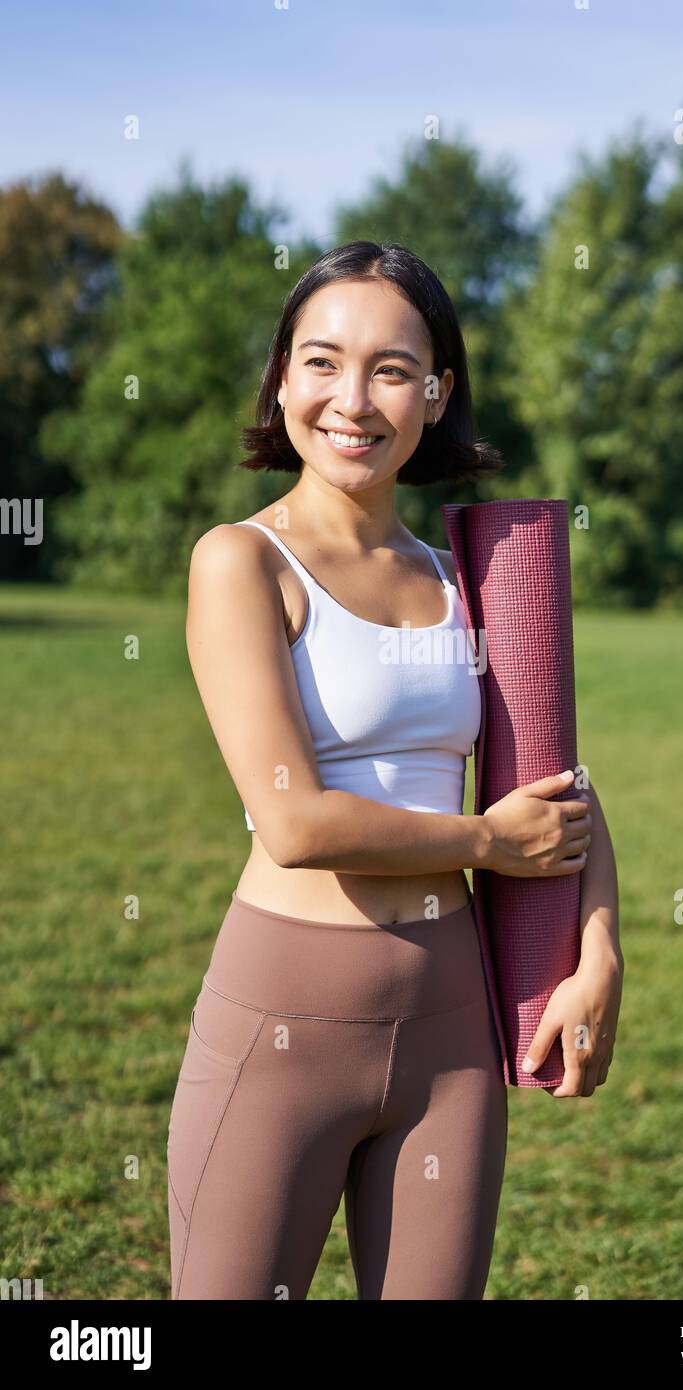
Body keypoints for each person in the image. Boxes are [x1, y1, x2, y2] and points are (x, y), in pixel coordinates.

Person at [166, 240, 622, 1300]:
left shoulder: (471, 573)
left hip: (451, 1037)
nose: (352, 399)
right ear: (281, 377)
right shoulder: (240, 563)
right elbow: (295, 822)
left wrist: (598, 950)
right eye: (321, 361)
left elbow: (559, 792)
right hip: (285, 1023)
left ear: (436, 392)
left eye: (390, 368)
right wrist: (482, 842)